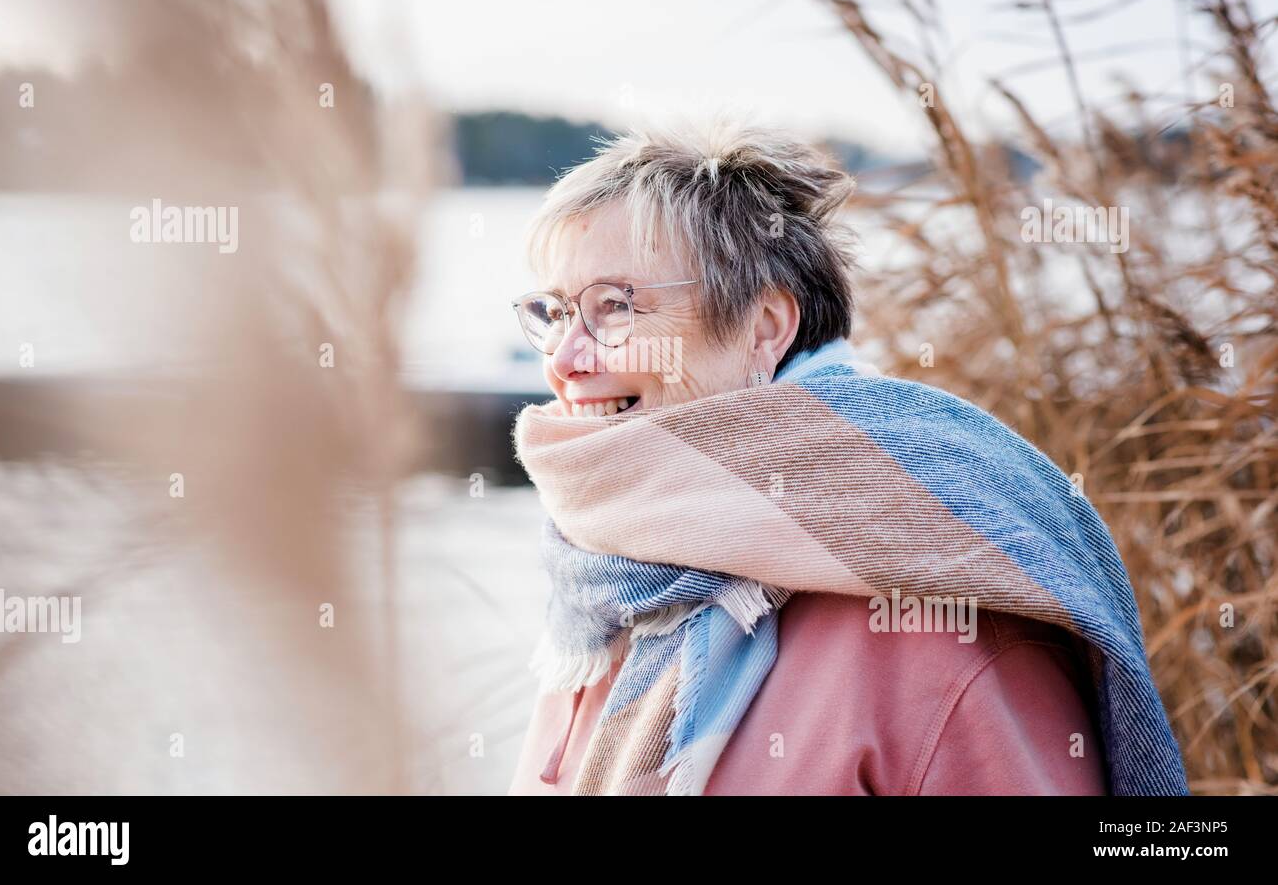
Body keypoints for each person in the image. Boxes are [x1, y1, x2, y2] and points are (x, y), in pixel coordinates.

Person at [505, 117, 1186, 796]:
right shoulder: (606, 598)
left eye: (615, 307)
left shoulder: (936, 627)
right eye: (557, 312)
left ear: (763, 328)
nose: (566, 359)